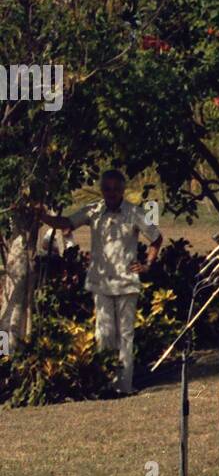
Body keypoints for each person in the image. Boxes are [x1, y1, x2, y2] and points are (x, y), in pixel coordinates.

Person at [41, 170, 161, 396]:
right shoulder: (94, 211)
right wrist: (41, 216)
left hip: (127, 283)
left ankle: (124, 386)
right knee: (104, 334)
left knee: (125, 335)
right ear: (102, 190)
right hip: (100, 282)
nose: (112, 193)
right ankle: (104, 384)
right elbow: (67, 222)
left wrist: (147, 264)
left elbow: (156, 238)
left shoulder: (135, 212)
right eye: (107, 189)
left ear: (123, 190)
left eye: (116, 189)